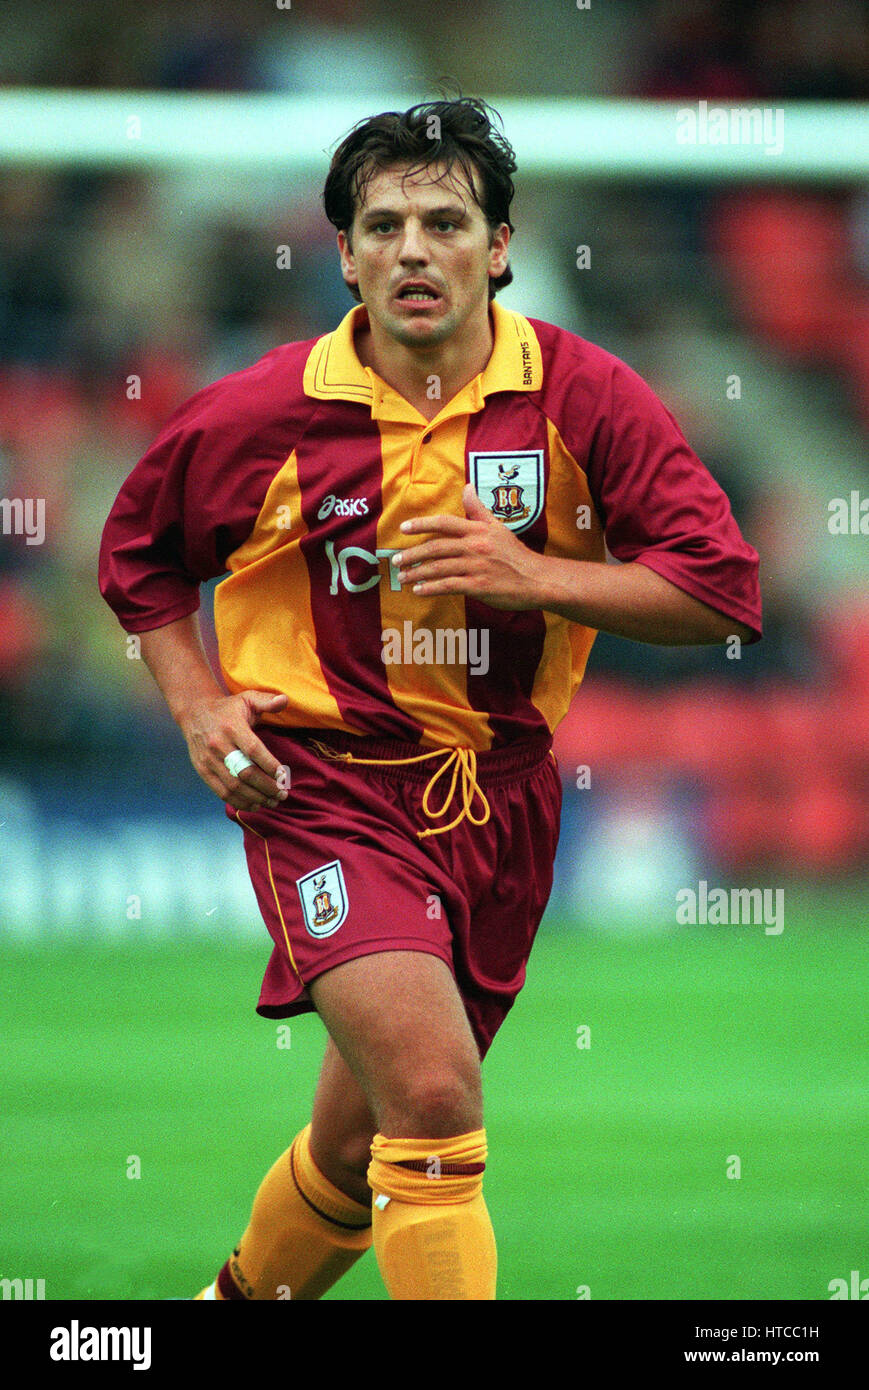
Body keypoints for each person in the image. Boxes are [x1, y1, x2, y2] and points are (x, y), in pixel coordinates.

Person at [98, 97, 761, 1301]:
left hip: (499, 804)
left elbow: (718, 589)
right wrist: (198, 705)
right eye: (383, 224)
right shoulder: (259, 414)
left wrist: (535, 575)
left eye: (445, 221)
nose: (414, 248)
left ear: (497, 246)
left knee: (361, 1150)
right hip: (324, 791)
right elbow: (138, 556)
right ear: (344, 256)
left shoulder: (581, 396)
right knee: (438, 1099)